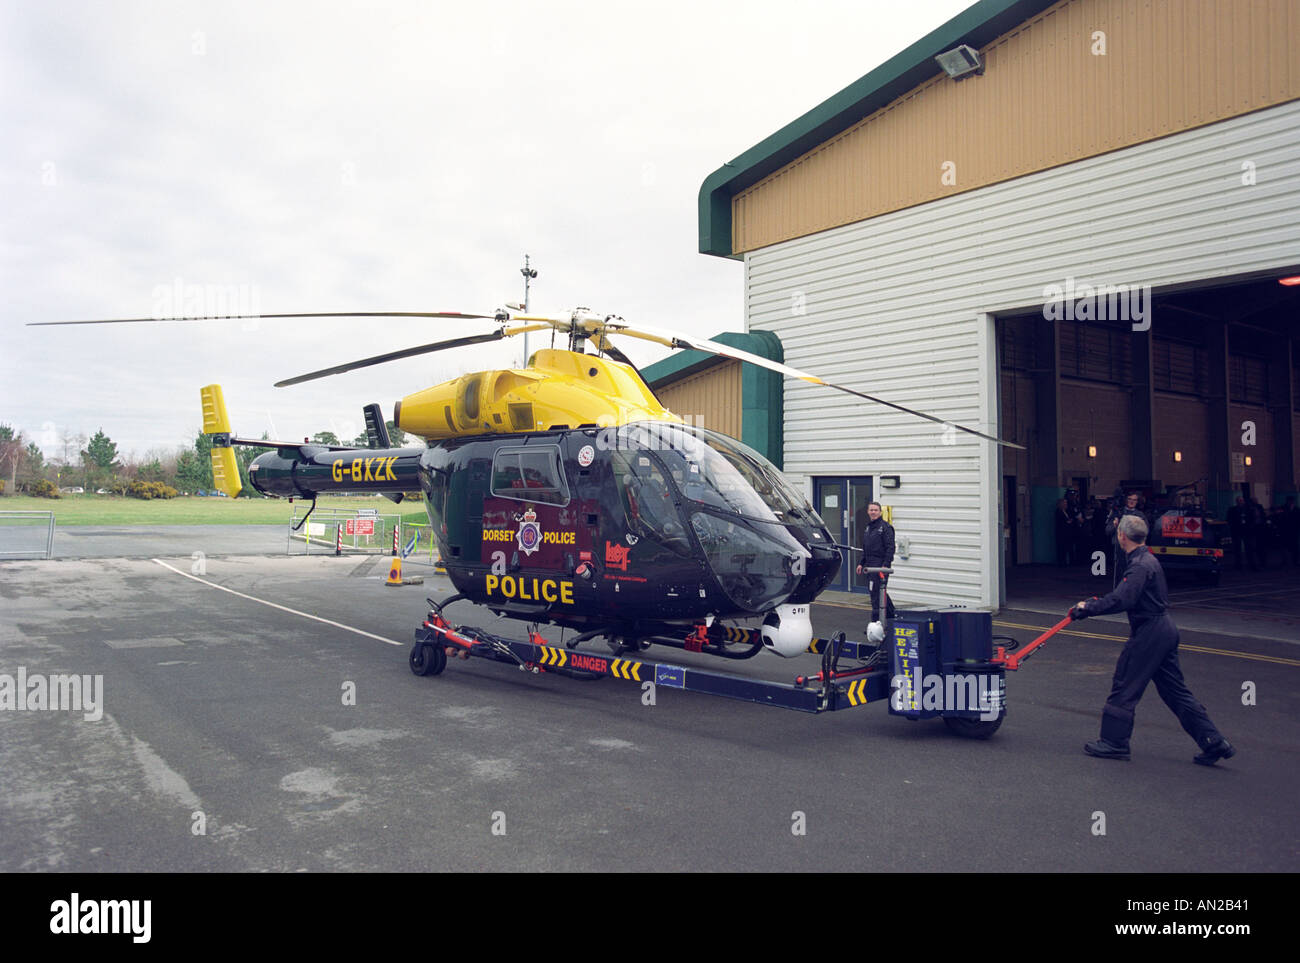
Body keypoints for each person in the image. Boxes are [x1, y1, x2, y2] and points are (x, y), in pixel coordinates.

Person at [1071, 514, 1234, 765]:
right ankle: (1213, 741)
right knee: (1175, 692)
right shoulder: (1147, 560)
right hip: (1164, 629)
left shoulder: (1139, 566)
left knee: (1125, 682)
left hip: (1150, 632)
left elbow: (1122, 599)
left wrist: (1088, 607)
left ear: (1121, 536)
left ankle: (1114, 742)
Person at [856, 501, 897, 625]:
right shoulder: (868, 528)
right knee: (877, 592)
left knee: (876, 594)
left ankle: (876, 623)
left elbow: (890, 547)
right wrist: (861, 563)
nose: (873, 512)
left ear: (880, 512)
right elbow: (866, 547)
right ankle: (892, 616)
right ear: (868, 512)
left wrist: (885, 565)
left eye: (875, 510)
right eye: (871, 510)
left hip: (880, 565)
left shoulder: (885, 527)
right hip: (870, 564)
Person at [1104, 490, 1145, 585]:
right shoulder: (1117, 513)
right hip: (1119, 550)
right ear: (1126, 500)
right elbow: (1107, 530)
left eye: (1134, 500)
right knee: (1119, 578)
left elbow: (1145, 532)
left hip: (1135, 550)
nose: (1132, 502)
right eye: (1130, 499)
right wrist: (1115, 525)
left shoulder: (1140, 515)